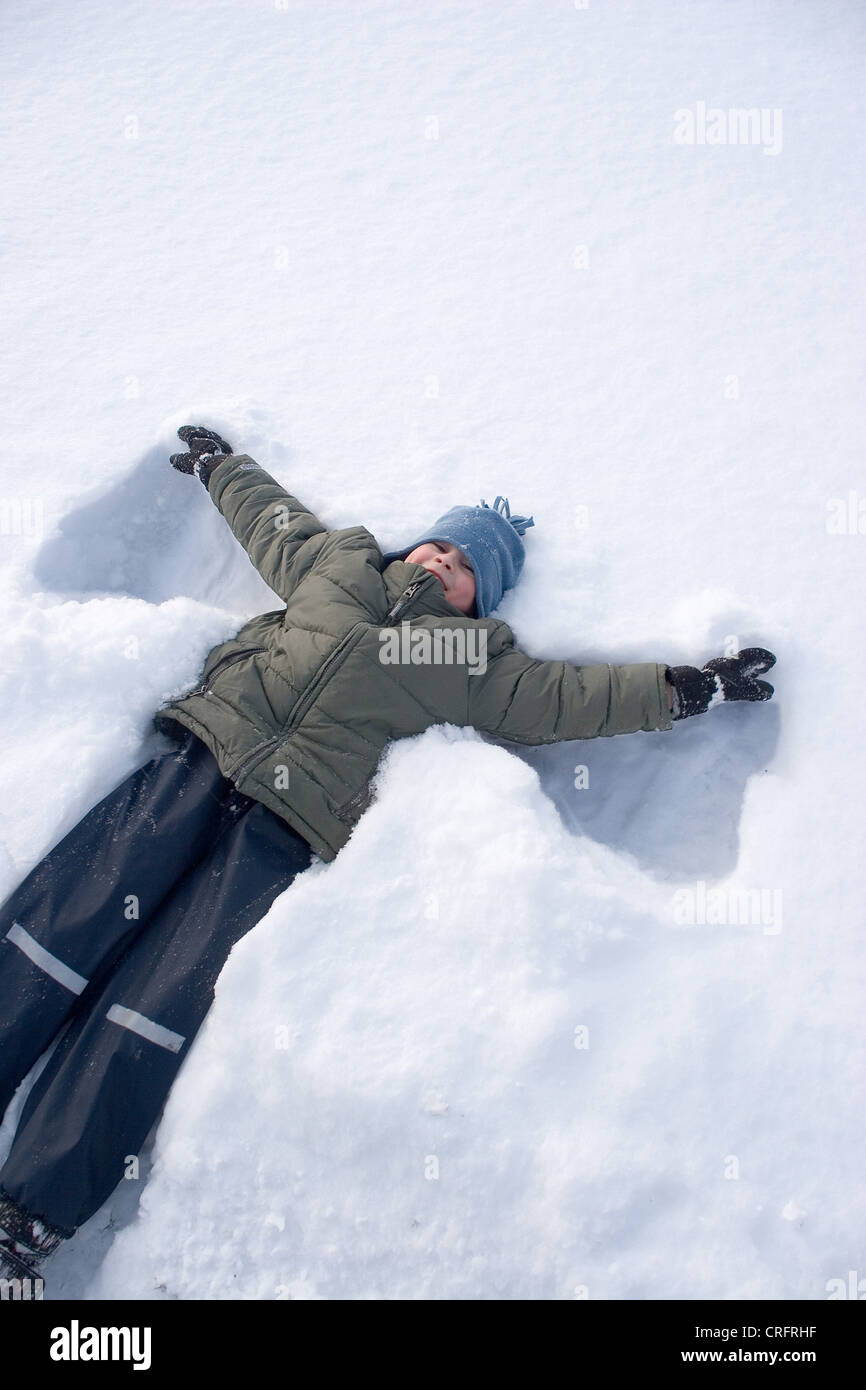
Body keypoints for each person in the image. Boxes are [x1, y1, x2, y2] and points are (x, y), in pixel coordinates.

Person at [0, 426, 776, 1283]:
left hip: (280, 831)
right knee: (66, 917)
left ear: (479, 603)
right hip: (200, 756)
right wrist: (225, 468)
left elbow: (568, 698)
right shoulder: (339, 571)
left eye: (465, 566)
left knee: (158, 998)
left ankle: (28, 1217)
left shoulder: (465, 658)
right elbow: (275, 524)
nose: (443, 562)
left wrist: (683, 687)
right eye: (440, 545)